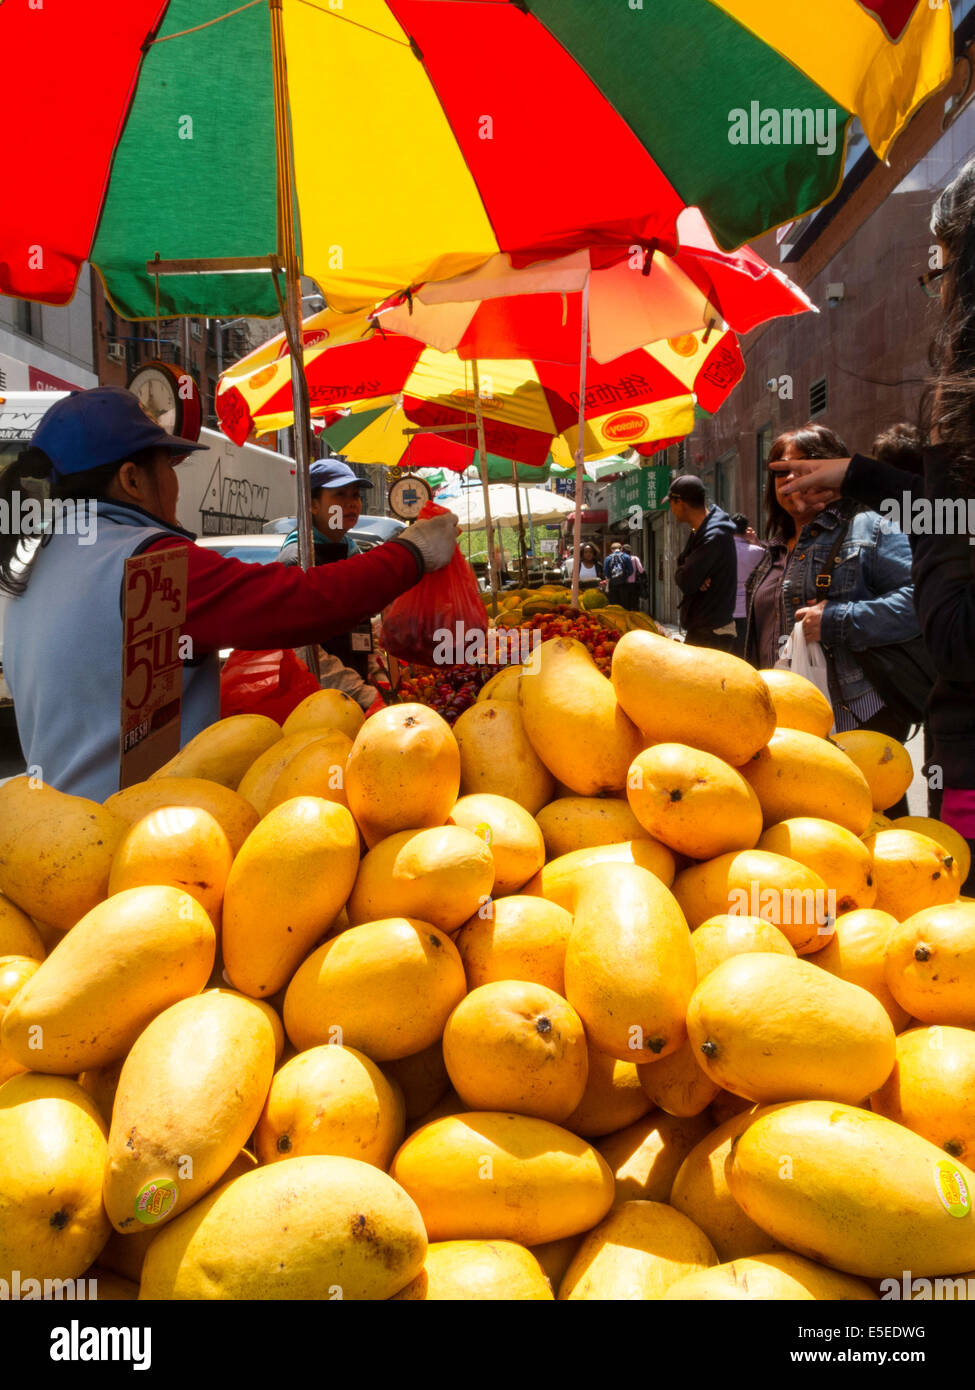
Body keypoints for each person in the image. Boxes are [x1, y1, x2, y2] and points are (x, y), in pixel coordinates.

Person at [0, 387, 459, 802]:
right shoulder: (146, 564)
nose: (175, 485)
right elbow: (304, 603)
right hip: (141, 838)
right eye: (168, 467)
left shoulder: (34, 560)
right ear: (132, 479)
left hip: (58, 828)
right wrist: (411, 553)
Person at [776, 157, 975, 884]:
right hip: (953, 764)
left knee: (956, 893)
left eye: (944, 271)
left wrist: (837, 621)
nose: (939, 293)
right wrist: (861, 477)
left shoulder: (961, 418)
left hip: (960, 775)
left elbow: (952, 632)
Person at [742, 424, 919, 811]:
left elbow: (920, 603)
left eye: (803, 468)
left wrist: (838, 619)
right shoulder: (772, 550)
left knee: (869, 832)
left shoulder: (872, 527)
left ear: (834, 471)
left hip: (857, 718)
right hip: (784, 726)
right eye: (780, 471)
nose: (790, 479)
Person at [277, 456, 378, 709]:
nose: (351, 504)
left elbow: (364, 623)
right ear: (312, 505)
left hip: (354, 698)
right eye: (340, 495)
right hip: (318, 704)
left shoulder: (351, 554)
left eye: (355, 495)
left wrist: (376, 671)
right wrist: (359, 693)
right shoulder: (298, 561)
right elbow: (302, 650)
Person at [666, 475, 738, 651]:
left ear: (679, 502)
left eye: (671, 503)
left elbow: (686, 581)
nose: (671, 508)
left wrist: (690, 573)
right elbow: (685, 567)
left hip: (711, 632)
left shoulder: (713, 536)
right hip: (704, 627)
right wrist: (690, 570)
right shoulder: (700, 530)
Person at [731, 513, 765, 656]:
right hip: (749, 608)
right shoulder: (758, 552)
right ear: (746, 531)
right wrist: (755, 540)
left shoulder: (721, 551)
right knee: (748, 650)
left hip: (726, 609)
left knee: (729, 652)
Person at [603, 540, 633, 606]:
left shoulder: (608, 558)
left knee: (614, 604)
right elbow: (631, 570)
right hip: (624, 584)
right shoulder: (626, 557)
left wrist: (610, 578)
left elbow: (605, 572)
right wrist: (625, 576)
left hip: (612, 584)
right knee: (624, 604)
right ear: (621, 548)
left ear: (611, 549)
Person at [621, 543, 646, 611]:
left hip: (623, 584)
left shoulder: (620, 559)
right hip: (634, 585)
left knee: (625, 604)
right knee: (634, 604)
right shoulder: (635, 558)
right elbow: (641, 570)